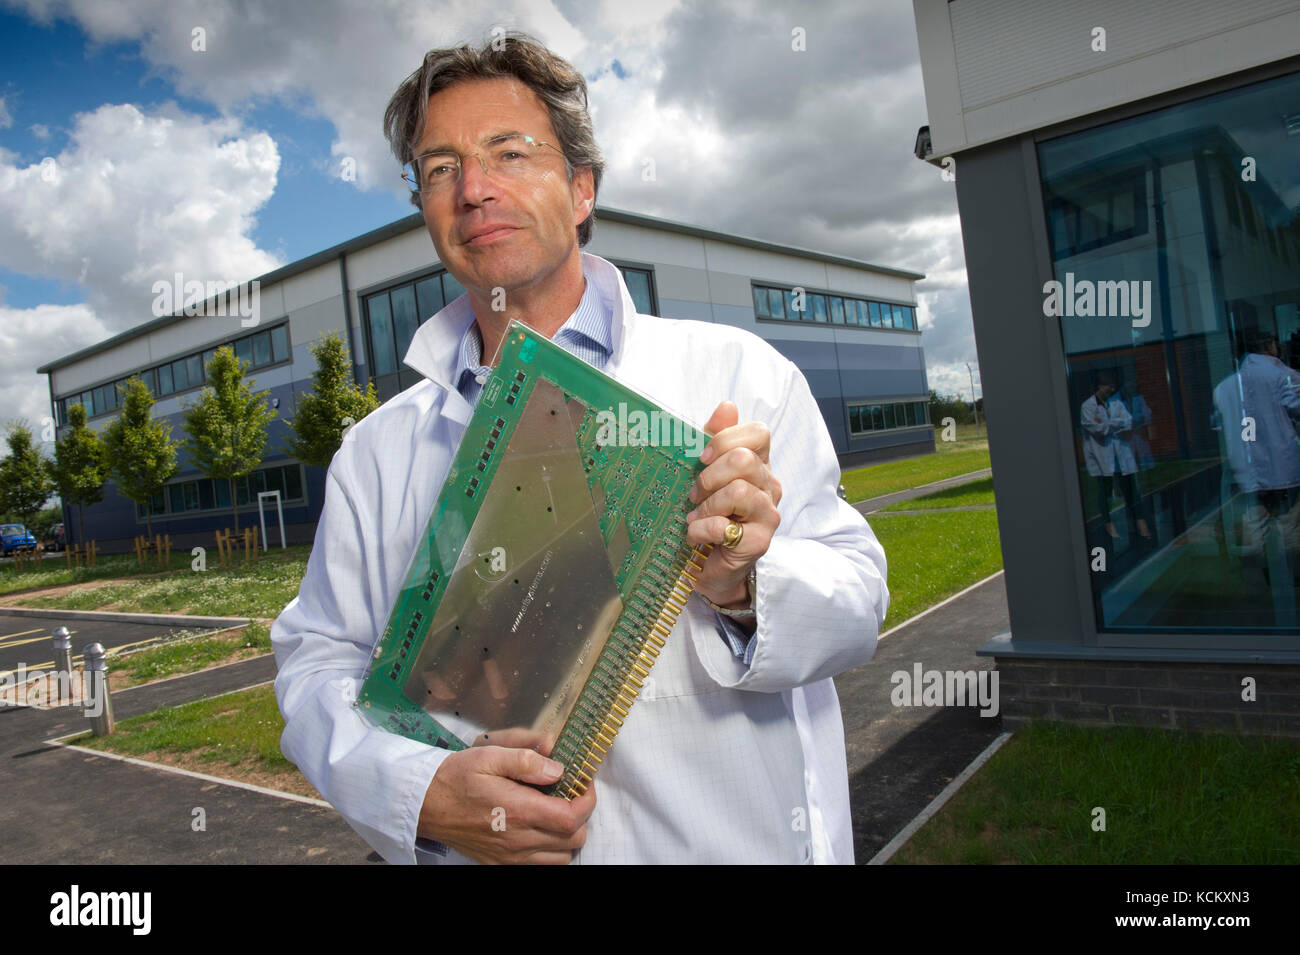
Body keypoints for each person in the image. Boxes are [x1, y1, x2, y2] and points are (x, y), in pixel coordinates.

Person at [271, 32, 888, 865]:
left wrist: (744, 584)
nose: (475, 190)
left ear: (582, 186)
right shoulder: (375, 454)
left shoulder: (737, 376)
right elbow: (319, 661)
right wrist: (417, 792)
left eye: (509, 152)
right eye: (441, 167)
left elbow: (858, 604)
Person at [1080, 370, 1150, 539]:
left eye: (1112, 388)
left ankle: (1140, 524)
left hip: (1121, 456)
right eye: (1108, 387)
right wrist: (1115, 424)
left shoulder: (1116, 403)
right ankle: (1108, 524)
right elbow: (1096, 429)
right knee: (1105, 491)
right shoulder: (1087, 406)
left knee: (1131, 491)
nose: (1111, 391)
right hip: (1102, 456)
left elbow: (1128, 422)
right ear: (1099, 387)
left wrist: (1109, 424)